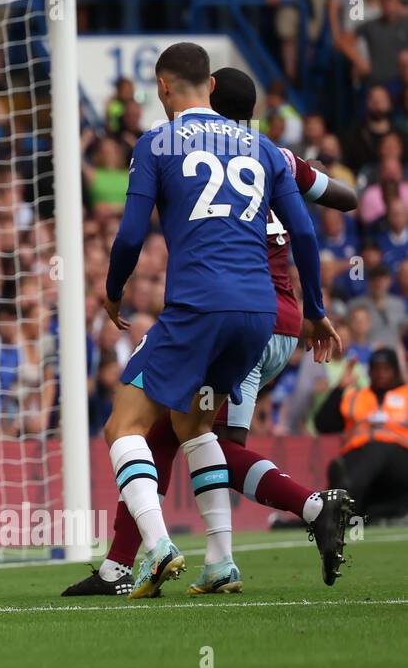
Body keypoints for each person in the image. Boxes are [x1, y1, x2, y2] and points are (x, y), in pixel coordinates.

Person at [66, 68, 358, 596]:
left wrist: (112, 288)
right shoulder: (272, 152)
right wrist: (317, 307)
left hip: (209, 307)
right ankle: (217, 559)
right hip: (269, 316)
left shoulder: (165, 143)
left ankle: (148, 554)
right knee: (196, 431)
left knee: (133, 428)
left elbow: (133, 231)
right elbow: (338, 204)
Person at [314, 347, 408, 522]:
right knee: (355, 461)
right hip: (359, 457)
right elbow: (323, 425)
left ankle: (341, 497)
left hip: (400, 462)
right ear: (369, 371)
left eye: (386, 368)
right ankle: (343, 503)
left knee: (379, 448)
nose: (381, 373)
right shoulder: (355, 396)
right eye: (376, 369)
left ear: (396, 371)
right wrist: (340, 388)